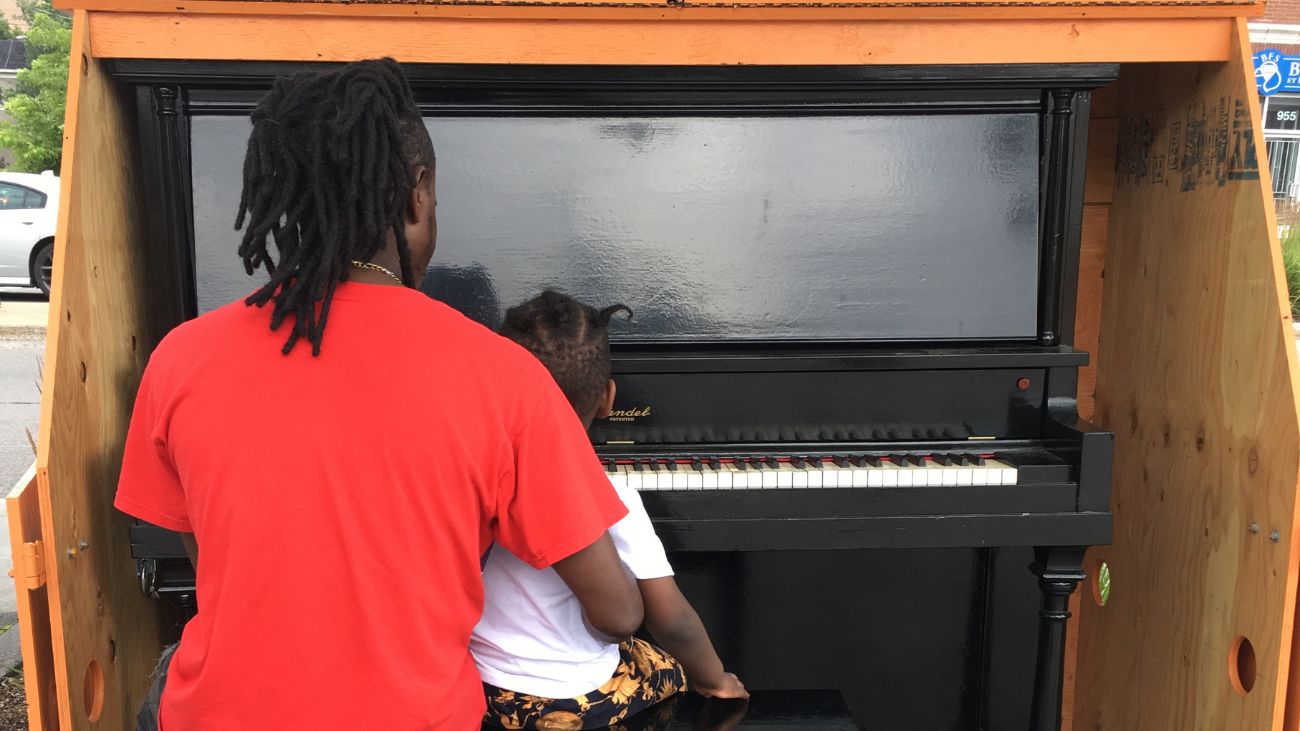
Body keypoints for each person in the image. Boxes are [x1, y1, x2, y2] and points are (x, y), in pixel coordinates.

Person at [116, 59, 643, 730]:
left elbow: (213, 564)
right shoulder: (505, 375)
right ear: (418, 195)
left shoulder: (179, 356)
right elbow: (619, 610)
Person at [475, 290, 748, 731]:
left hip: (485, 690)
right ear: (608, 399)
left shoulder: (472, 478)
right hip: (574, 703)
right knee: (667, 668)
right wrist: (715, 680)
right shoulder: (612, 495)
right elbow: (673, 623)